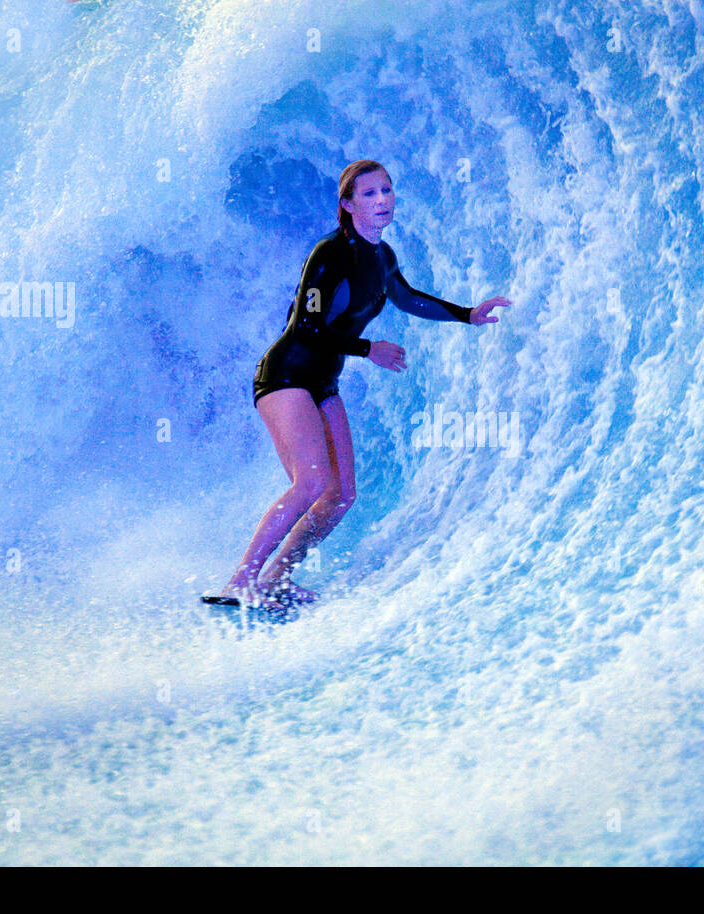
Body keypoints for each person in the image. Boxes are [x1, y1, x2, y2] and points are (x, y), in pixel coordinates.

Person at [219, 159, 511, 608]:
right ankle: (241, 581)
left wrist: (466, 314)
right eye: (370, 194)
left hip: (323, 383)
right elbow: (308, 327)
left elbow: (408, 297)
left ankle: (277, 577)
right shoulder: (329, 254)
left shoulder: (382, 257)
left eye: (387, 191)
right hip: (286, 375)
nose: (382, 200)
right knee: (311, 482)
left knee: (341, 495)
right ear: (348, 205)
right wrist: (368, 348)